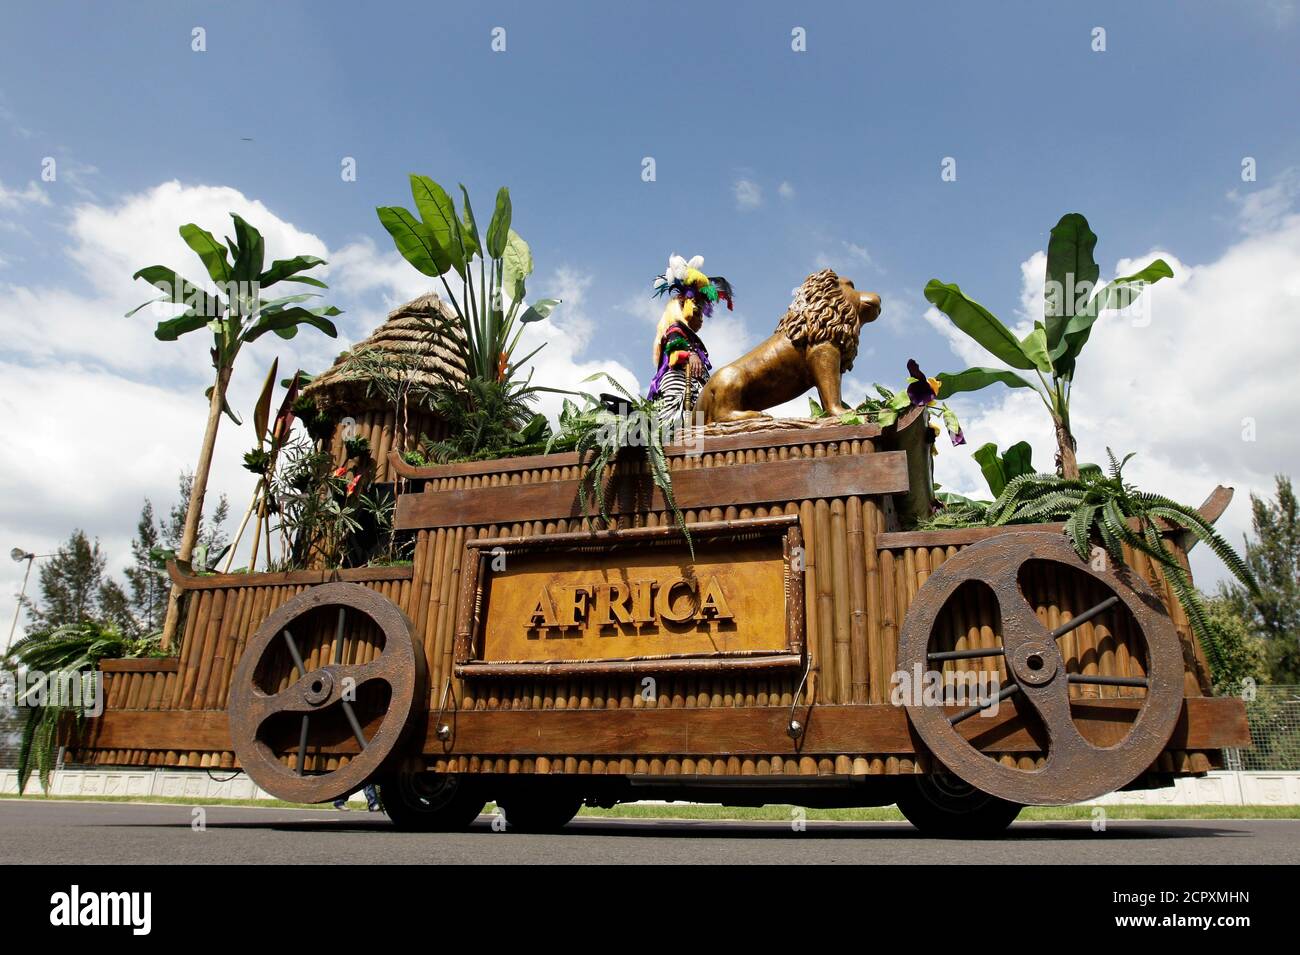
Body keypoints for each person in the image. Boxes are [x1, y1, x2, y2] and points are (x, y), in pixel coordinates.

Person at [647, 254, 733, 427]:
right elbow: (674, 354)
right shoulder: (675, 329)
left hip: (695, 387)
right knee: (678, 425)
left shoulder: (688, 336)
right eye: (698, 311)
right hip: (679, 384)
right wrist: (690, 355)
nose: (701, 317)